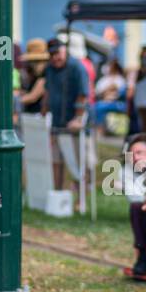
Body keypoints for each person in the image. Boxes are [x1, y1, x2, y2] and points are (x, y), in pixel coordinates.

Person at [45, 37, 90, 190]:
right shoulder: (50, 69)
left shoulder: (76, 67)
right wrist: (44, 115)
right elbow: (47, 92)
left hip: (75, 125)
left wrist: (78, 118)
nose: (55, 57)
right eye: (51, 54)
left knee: (78, 162)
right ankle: (57, 192)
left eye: (57, 53)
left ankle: (81, 197)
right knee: (56, 160)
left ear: (65, 50)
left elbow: (83, 94)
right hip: (57, 123)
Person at [122, 132, 146, 275]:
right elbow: (134, 197)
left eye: (140, 153)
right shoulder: (126, 171)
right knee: (137, 207)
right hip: (145, 213)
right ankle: (142, 254)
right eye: (132, 154)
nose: (136, 157)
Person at [93, 60, 128, 129]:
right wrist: (107, 91)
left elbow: (121, 93)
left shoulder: (120, 79)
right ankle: (99, 128)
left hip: (118, 103)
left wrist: (110, 95)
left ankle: (100, 129)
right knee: (97, 107)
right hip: (105, 102)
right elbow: (97, 92)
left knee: (100, 106)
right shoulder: (103, 80)